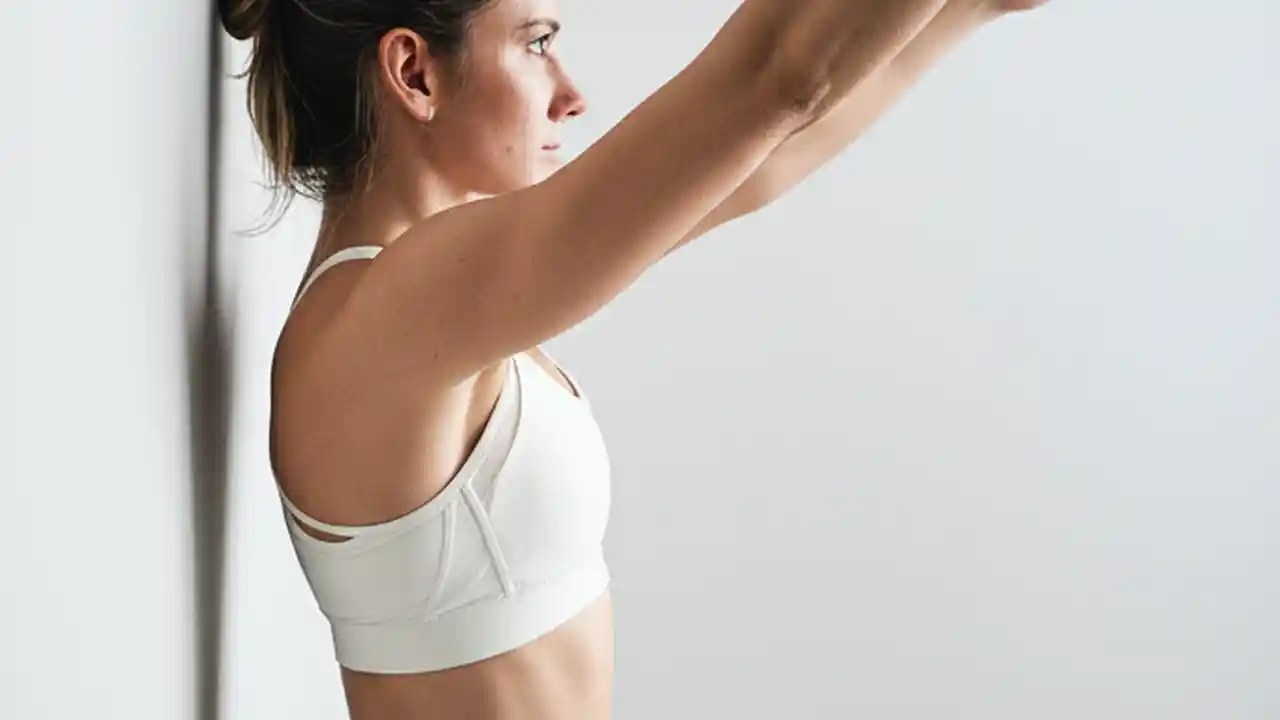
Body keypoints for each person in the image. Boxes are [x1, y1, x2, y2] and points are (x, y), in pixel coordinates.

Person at [217, 0, 1050, 717]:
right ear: (416, 74)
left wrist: (971, 12)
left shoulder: (435, 303)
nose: (572, 96)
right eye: (537, 42)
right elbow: (774, 80)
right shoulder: (394, 313)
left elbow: (759, 164)